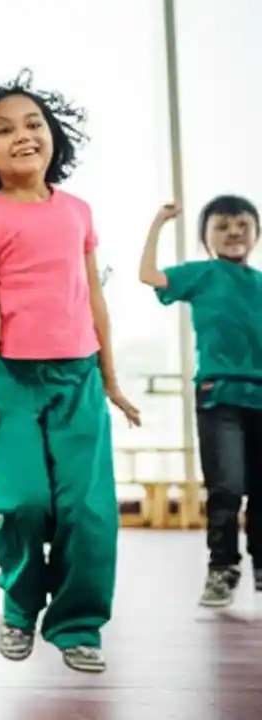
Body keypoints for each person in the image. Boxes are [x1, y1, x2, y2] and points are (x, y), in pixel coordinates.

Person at [0, 70, 141, 674]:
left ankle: (79, 623)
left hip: (79, 378)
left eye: (33, 124)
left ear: (54, 133)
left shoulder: (78, 212)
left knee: (86, 510)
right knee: (26, 501)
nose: (22, 136)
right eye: (3, 131)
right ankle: (19, 606)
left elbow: (95, 301)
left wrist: (110, 379)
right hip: (13, 381)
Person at [139, 196, 262, 607]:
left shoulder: (260, 283)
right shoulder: (202, 275)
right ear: (206, 236)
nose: (233, 233)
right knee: (226, 487)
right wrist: (159, 222)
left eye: (242, 225)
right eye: (222, 226)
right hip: (219, 395)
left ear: (256, 233)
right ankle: (222, 568)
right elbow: (149, 275)